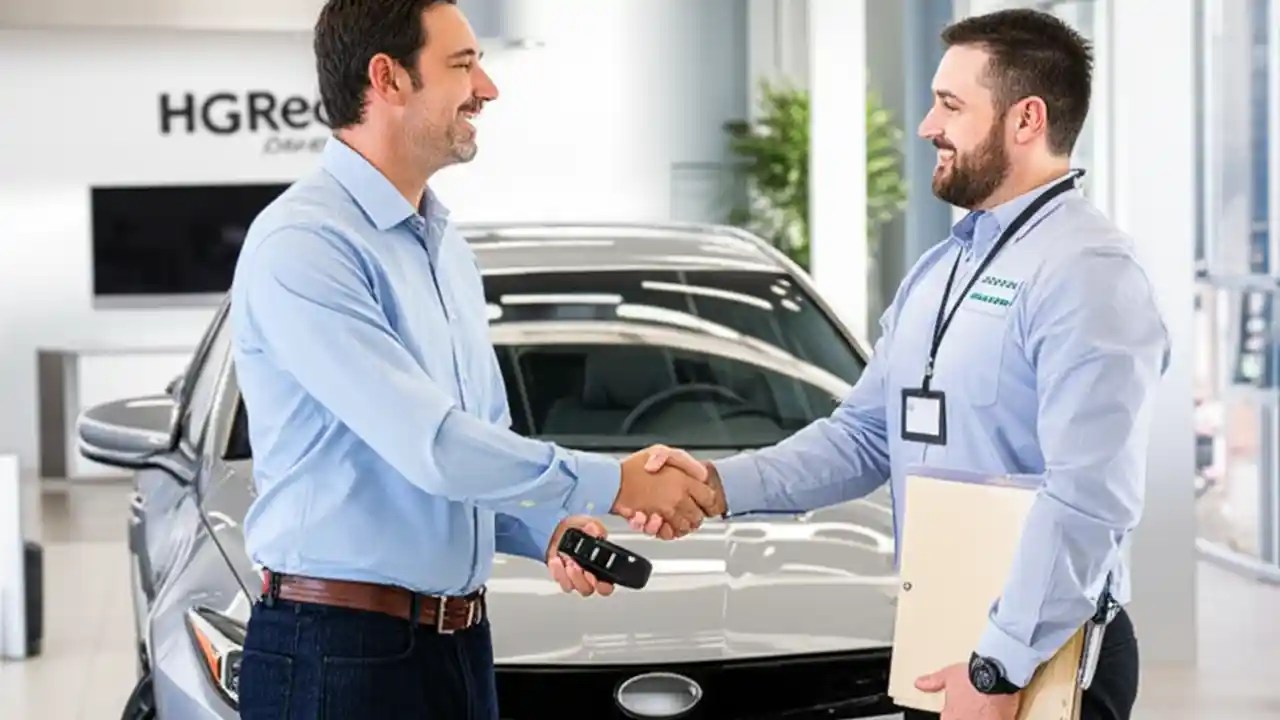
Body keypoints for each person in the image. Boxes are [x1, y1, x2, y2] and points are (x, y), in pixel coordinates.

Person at [637, 9, 1166, 720]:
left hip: (1039, 654)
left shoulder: (1089, 272)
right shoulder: (942, 269)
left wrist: (1000, 667)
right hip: (941, 640)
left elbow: (1089, 497)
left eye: (951, 104)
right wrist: (718, 485)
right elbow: (863, 434)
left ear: (1026, 119)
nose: (926, 126)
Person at [227, 1, 712, 717]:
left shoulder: (444, 248)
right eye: (462, 65)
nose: (488, 87)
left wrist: (545, 526)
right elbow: (432, 446)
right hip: (335, 653)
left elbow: (468, 456)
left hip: (457, 644)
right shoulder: (305, 245)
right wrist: (612, 482)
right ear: (387, 78)